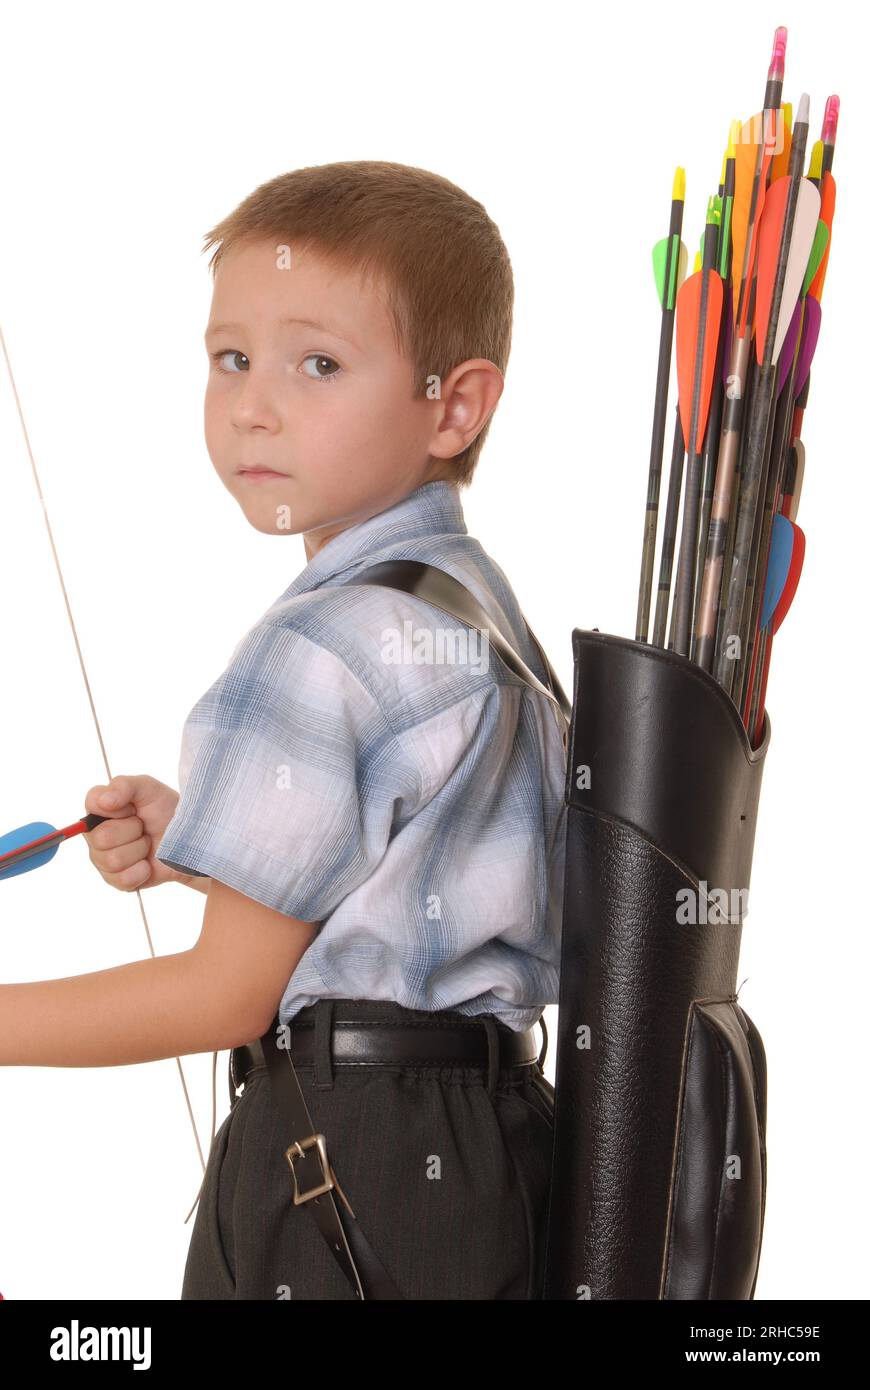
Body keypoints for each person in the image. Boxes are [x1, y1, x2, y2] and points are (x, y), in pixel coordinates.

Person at [2, 161, 566, 1300]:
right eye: (231, 358)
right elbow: (424, 871)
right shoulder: (473, 603)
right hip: (493, 1153)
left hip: (352, 1162)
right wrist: (212, 835)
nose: (255, 403)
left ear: (452, 406)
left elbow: (222, 996)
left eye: (318, 363)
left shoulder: (322, 645)